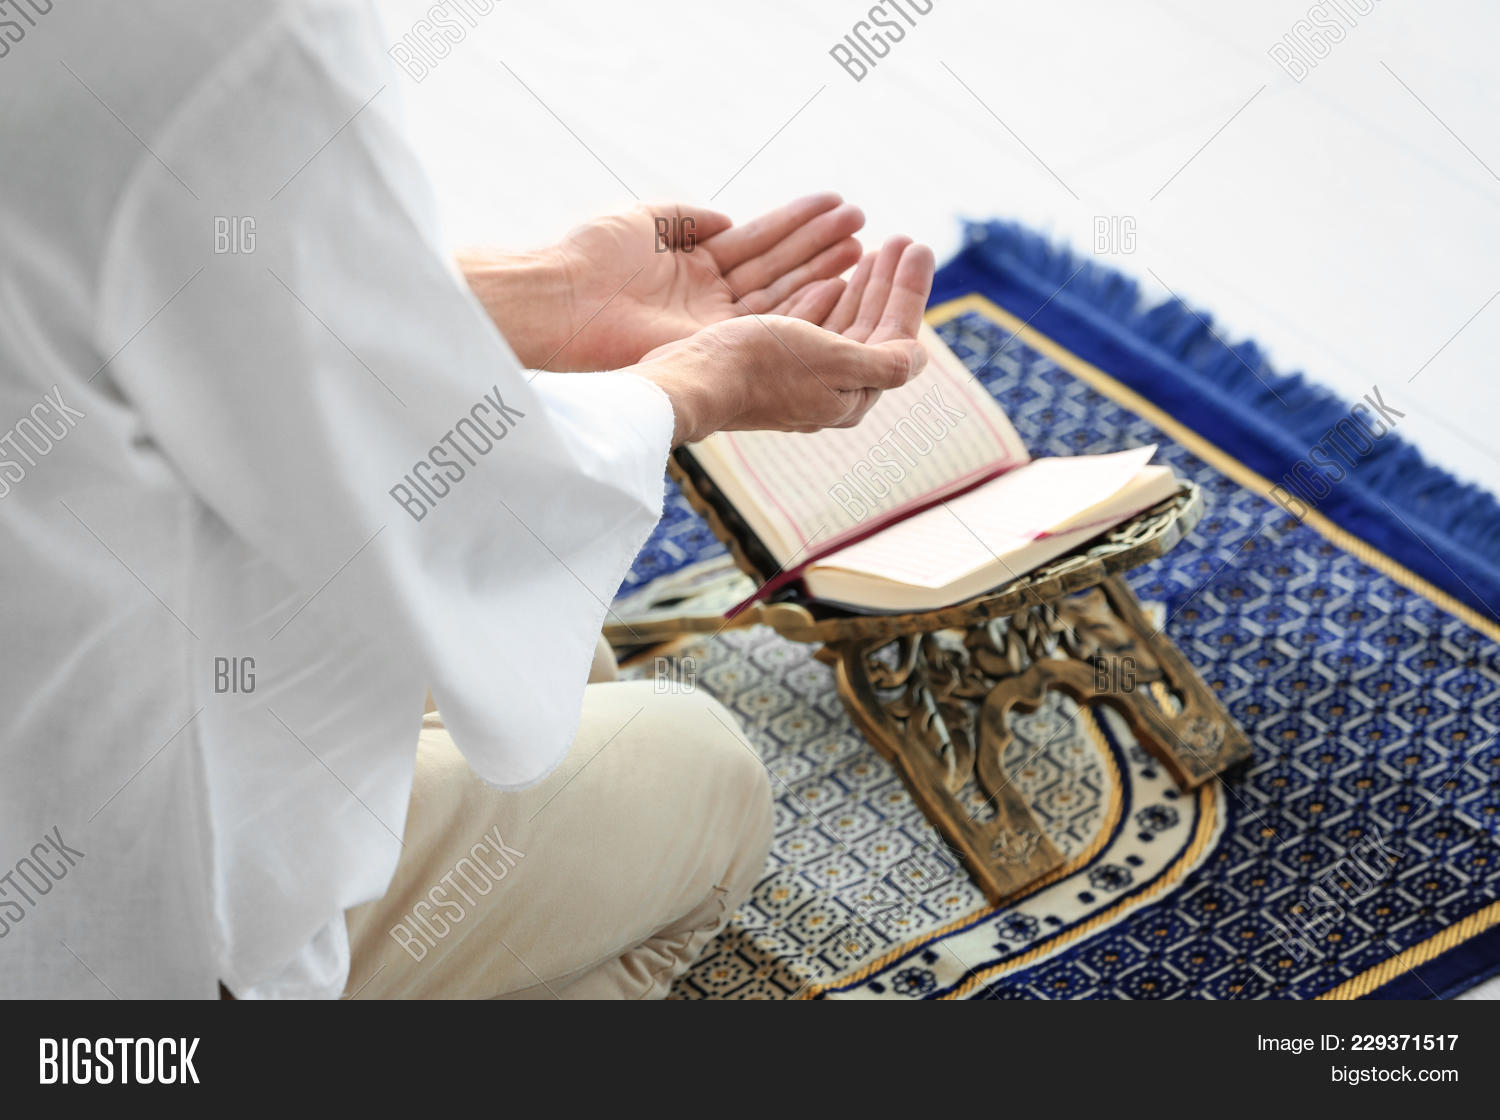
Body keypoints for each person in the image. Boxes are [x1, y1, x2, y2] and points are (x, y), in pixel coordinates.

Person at [0, 0, 933, 998]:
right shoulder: (236, 36)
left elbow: (134, 289)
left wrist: (549, 291)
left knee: (566, 661)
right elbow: (438, 501)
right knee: (710, 776)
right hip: (103, 957)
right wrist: (705, 386)